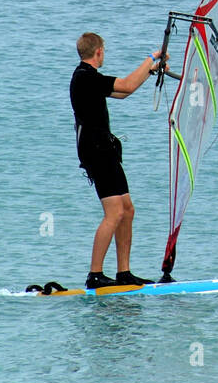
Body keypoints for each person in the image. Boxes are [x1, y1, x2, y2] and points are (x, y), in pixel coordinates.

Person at [70, 32, 167, 290]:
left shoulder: (89, 78)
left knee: (127, 209)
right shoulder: (85, 77)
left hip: (106, 151)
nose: (105, 54)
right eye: (105, 50)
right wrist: (151, 58)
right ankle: (95, 274)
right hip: (96, 152)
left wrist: (151, 71)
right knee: (113, 213)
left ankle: (124, 272)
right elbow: (125, 85)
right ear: (98, 51)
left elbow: (124, 93)